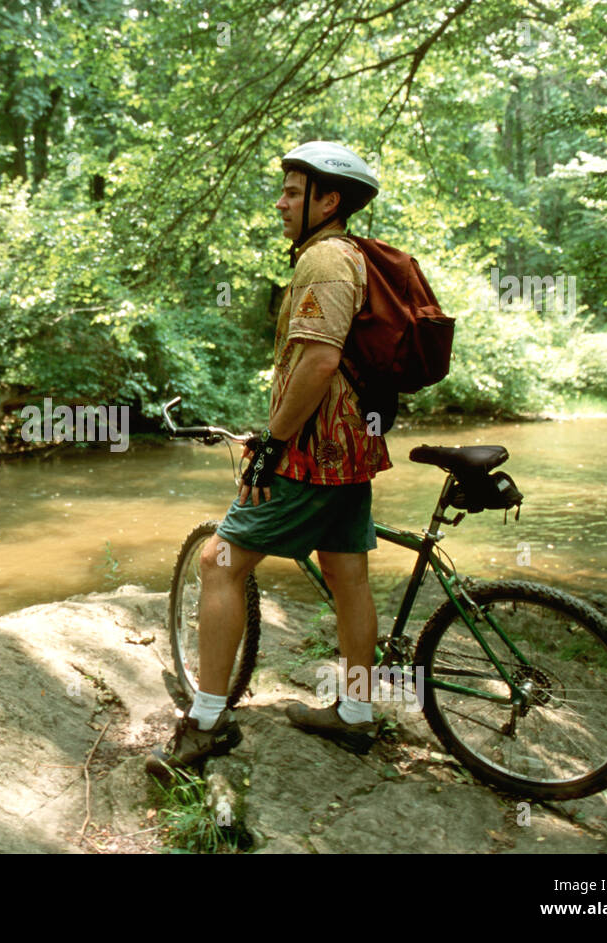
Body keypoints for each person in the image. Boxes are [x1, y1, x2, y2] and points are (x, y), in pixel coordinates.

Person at [147, 142, 390, 783]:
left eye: (291, 191)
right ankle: (357, 713)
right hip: (350, 445)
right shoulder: (347, 257)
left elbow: (318, 361)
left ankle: (204, 726)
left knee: (218, 561)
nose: (280, 202)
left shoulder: (325, 261)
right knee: (348, 573)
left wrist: (271, 443)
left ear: (328, 200)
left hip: (314, 449)